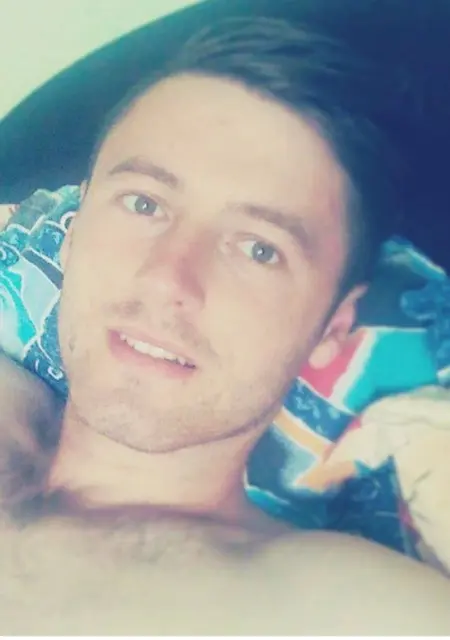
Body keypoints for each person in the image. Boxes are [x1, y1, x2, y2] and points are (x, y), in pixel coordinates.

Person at [0, 16, 450, 634]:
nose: (167, 278)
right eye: (144, 203)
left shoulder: (344, 609)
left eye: (260, 249)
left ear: (331, 330)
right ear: (73, 234)